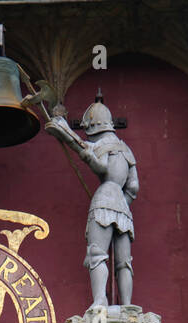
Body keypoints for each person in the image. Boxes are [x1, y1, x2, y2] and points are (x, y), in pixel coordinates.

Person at [46, 96, 139, 309]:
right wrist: (121, 202)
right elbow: (133, 186)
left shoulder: (102, 144)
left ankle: (100, 301)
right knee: (124, 263)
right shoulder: (126, 150)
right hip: (123, 207)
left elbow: (100, 166)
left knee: (97, 254)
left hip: (104, 198)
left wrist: (71, 139)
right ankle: (127, 306)